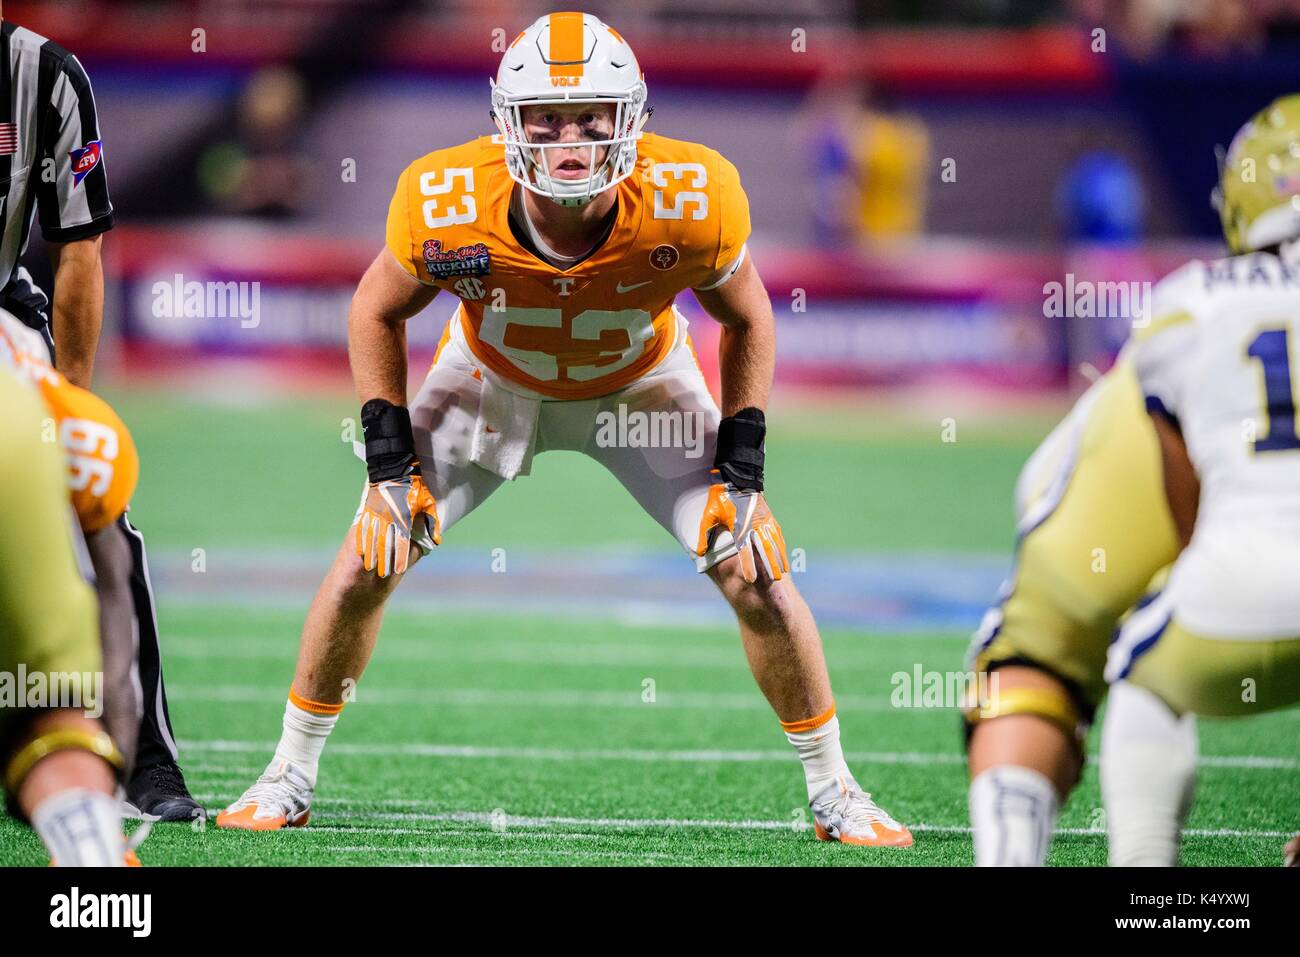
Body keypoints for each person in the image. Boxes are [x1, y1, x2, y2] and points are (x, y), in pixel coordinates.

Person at [219, 12, 912, 849]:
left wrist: (744, 473)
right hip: (488, 385)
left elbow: (750, 317)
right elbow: (374, 307)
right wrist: (387, 466)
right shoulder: (448, 199)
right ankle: (289, 774)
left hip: (642, 388)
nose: (569, 139)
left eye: (592, 116)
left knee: (755, 565)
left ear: (632, 120)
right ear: (508, 121)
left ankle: (835, 789)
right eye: (546, 117)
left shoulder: (693, 197)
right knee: (374, 549)